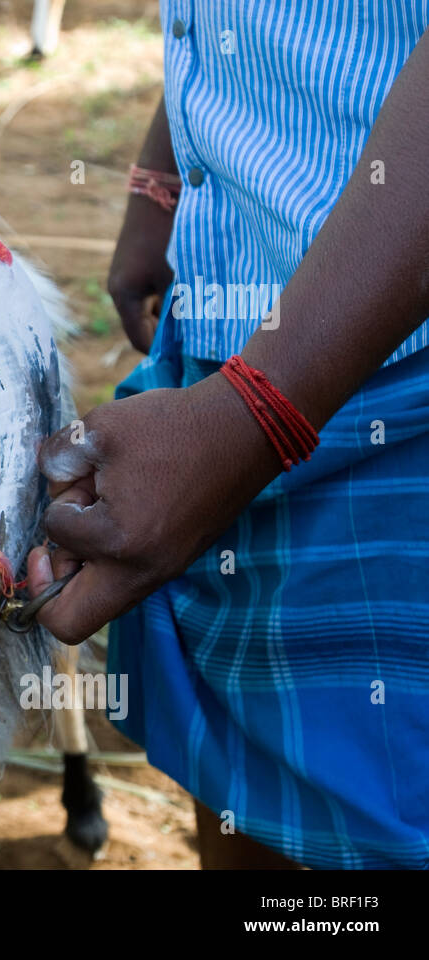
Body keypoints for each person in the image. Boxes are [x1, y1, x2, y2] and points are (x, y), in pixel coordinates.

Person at [25, 4, 429, 868]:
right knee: (250, 786)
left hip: (390, 381)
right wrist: (164, 179)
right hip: (233, 350)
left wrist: (256, 414)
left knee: (380, 813)